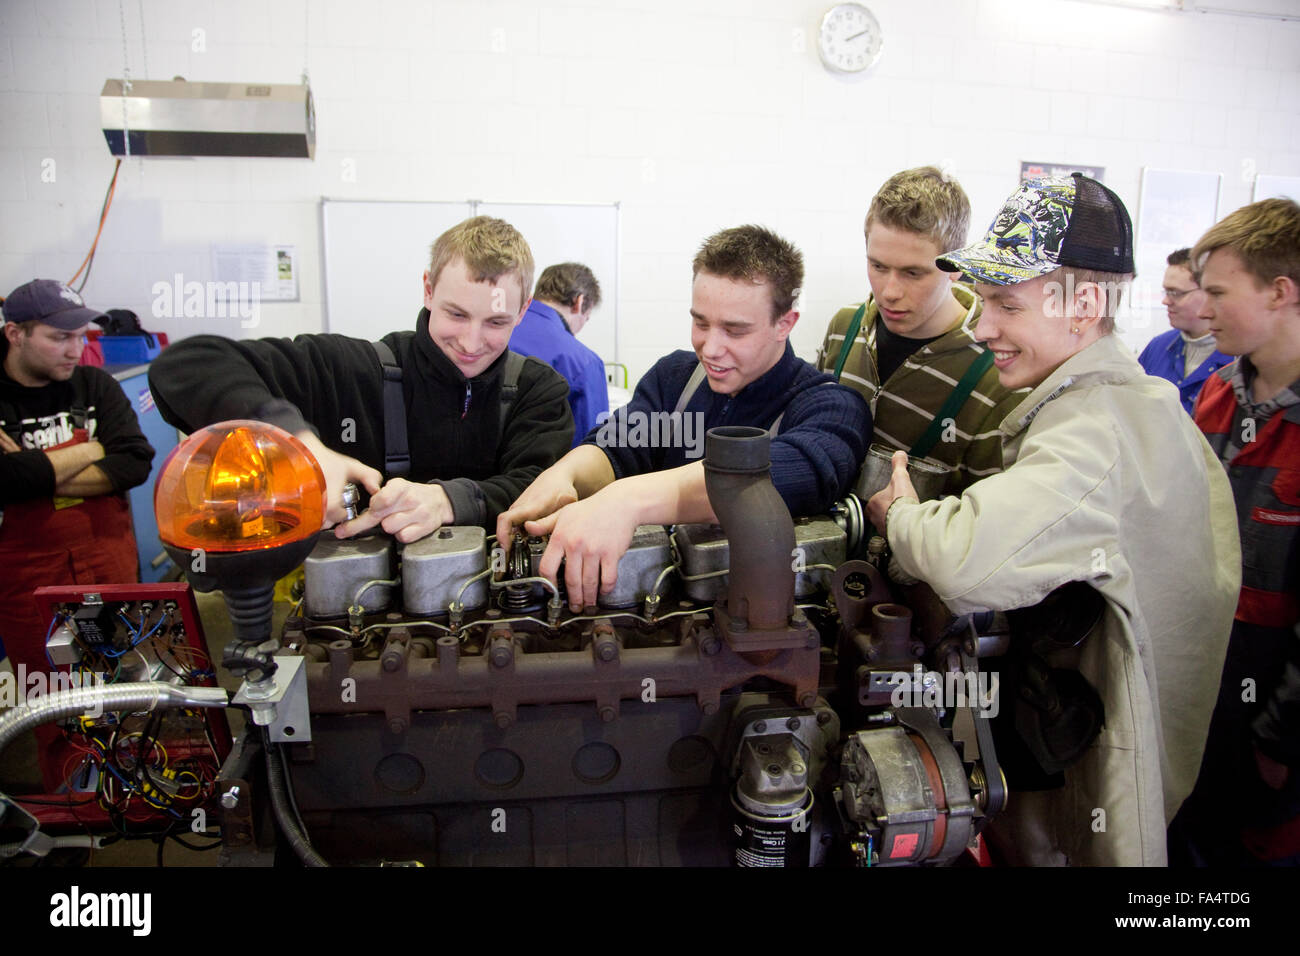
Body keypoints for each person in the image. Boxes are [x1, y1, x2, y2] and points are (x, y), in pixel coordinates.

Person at [865, 174, 1239, 866]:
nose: (983, 328)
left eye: (1007, 304)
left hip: (1100, 796)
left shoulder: (1096, 431)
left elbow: (964, 562)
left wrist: (902, 515)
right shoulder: (1139, 405)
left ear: (1084, 305)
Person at [496, 224, 872, 611]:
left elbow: (769, 476)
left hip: (757, 625)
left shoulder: (830, 408)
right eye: (701, 322)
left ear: (785, 323)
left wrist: (627, 500)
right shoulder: (676, 381)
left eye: (734, 330)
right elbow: (620, 446)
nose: (710, 347)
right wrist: (566, 473)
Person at [149, 216, 573, 541]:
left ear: (523, 311)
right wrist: (301, 445)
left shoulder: (539, 392)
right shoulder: (349, 370)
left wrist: (449, 500)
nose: (470, 341)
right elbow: (186, 364)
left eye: (496, 322)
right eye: (456, 314)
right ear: (428, 290)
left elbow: (540, 489)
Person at [1177, 197, 1300, 865]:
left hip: (1277, 716)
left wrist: (1281, 741)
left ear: (1281, 292)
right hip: (1207, 688)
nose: (1204, 307)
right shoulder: (1218, 391)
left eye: (1219, 292)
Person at [817, 166, 1023, 495]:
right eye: (878, 266)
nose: (889, 291)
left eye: (913, 273)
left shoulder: (998, 372)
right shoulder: (844, 329)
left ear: (955, 267)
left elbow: (991, 518)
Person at [0, 279, 154, 667]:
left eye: (81, 337)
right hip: (28, 585)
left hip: (108, 565)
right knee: (51, 689)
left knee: (123, 678)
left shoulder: (94, 384)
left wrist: (31, 471)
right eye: (60, 337)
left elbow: (134, 463)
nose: (76, 350)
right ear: (15, 334)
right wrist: (94, 448)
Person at [509, 262, 610, 445]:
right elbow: (593, 448)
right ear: (578, 302)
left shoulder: (494, 333)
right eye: (585, 320)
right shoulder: (584, 363)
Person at [1137, 247, 1230, 415]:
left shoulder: (1236, 358)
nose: (1166, 301)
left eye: (1175, 293)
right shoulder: (1158, 347)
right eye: (1166, 291)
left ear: (1209, 291)